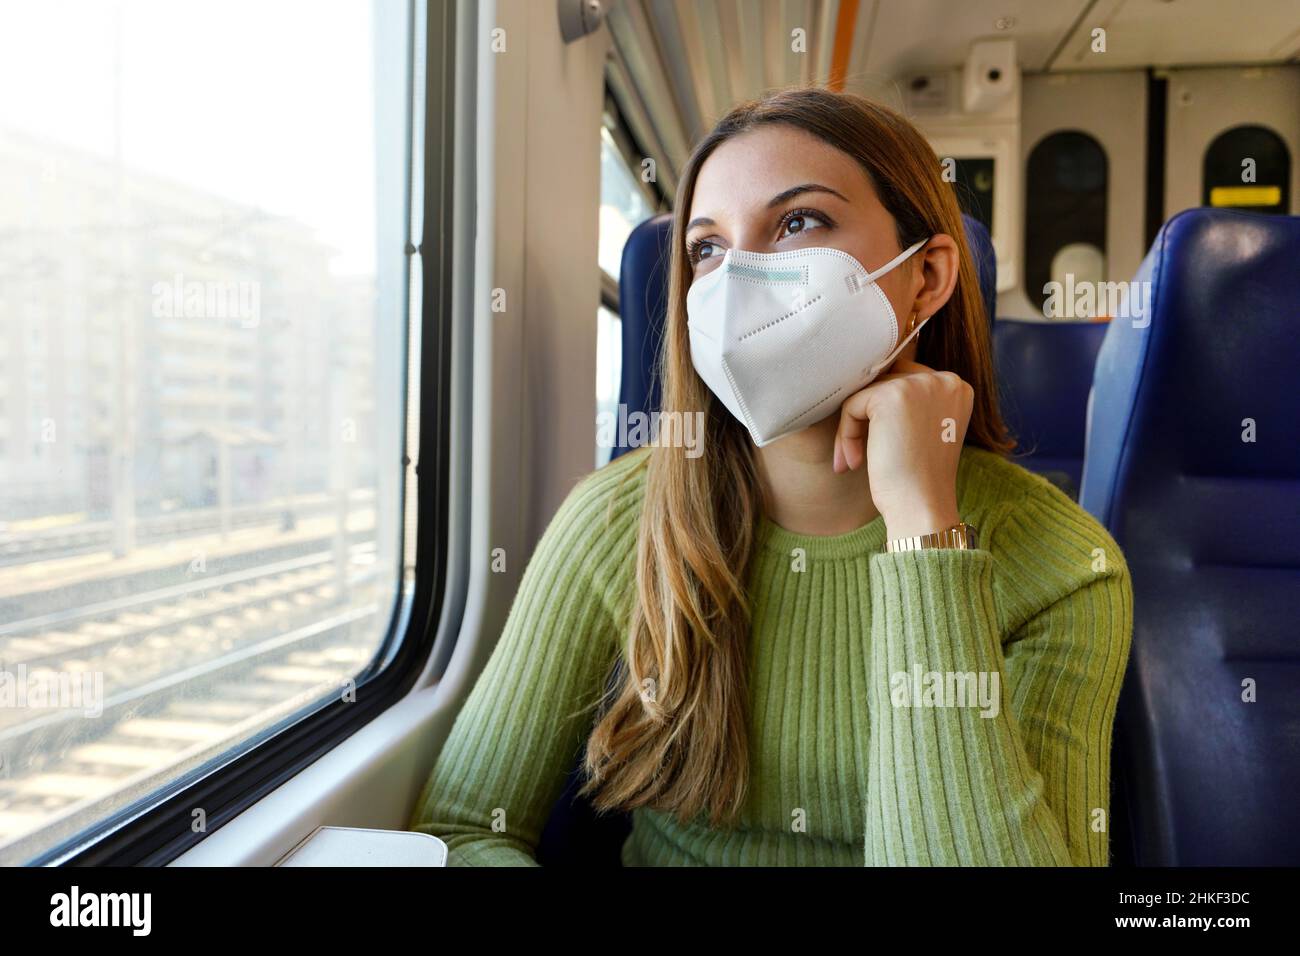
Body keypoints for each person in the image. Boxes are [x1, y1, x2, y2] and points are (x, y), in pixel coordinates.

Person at [409, 86, 1133, 866]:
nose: (737, 282)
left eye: (797, 223)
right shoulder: (613, 521)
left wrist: (926, 535)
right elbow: (461, 829)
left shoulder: (1066, 568)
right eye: (708, 249)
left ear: (925, 277)